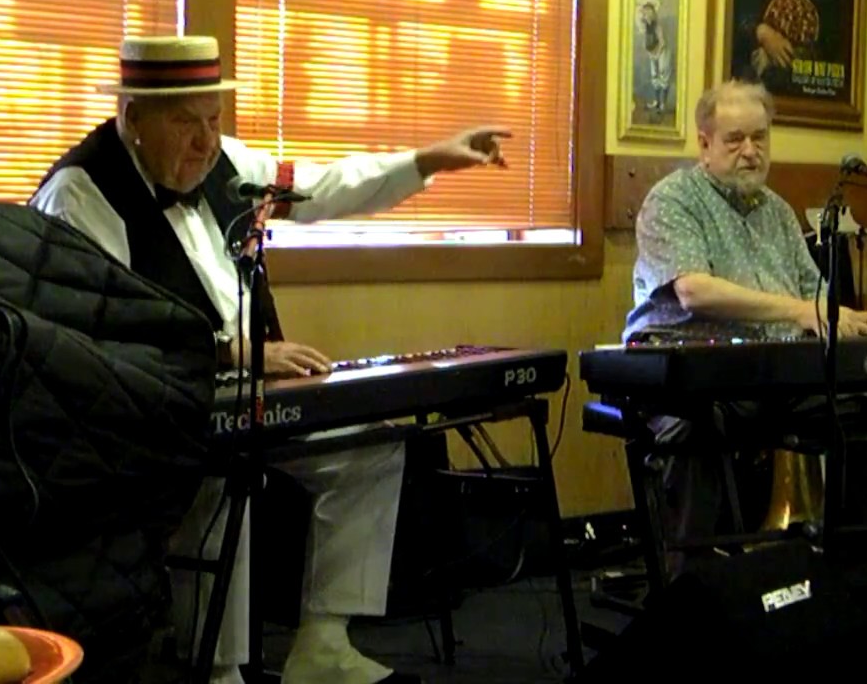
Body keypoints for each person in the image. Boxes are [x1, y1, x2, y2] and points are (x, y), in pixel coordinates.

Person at [30, 35, 510, 684]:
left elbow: (324, 186)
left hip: (251, 394)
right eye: (184, 123)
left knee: (370, 448)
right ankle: (221, 671)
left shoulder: (229, 163)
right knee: (226, 478)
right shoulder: (81, 192)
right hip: (145, 417)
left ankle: (323, 644)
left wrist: (428, 160)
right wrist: (228, 351)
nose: (205, 142)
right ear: (131, 117)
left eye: (213, 120)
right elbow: (92, 329)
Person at [622, 79, 867, 571]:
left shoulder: (777, 211)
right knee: (697, 431)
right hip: (682, 376)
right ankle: (689, 592)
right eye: (735, 140)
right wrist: (801, 312)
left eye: (760, 138)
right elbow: (696, 290)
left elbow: (811, 297)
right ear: (705, 143)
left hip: (771, 379)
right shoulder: (672, 200)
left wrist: (855, 319)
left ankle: (858, 575)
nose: (750, 152)